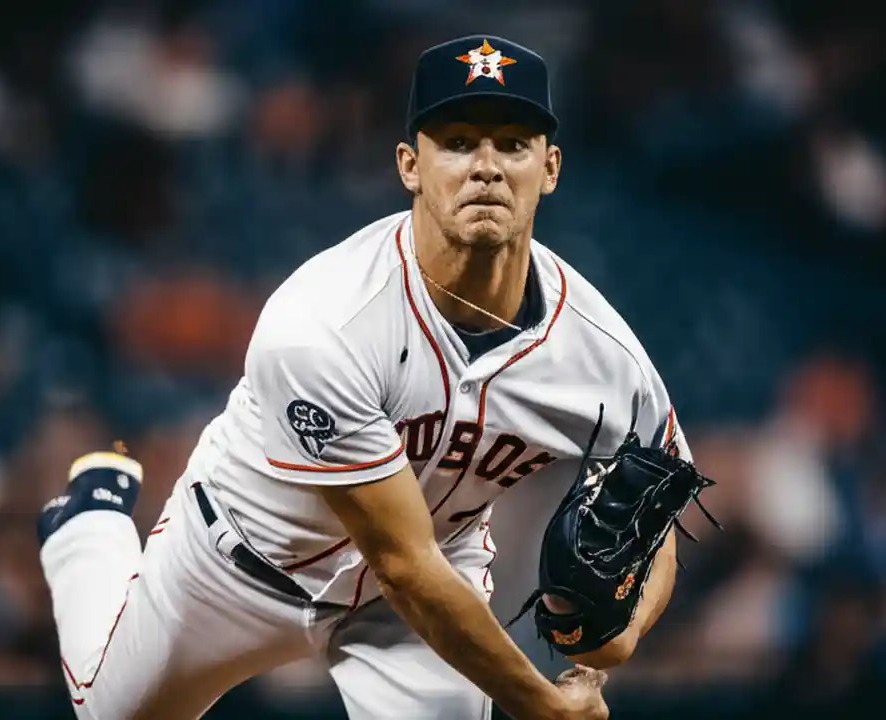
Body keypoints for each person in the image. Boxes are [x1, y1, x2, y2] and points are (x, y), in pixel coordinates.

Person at [38, 34, 686, 719]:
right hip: (242, 564)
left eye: (515, 144)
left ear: (550, 168)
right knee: (109, 713)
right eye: (460, 142)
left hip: (419, 594)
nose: (488, 168)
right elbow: (402, 563)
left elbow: (663, 499)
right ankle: (89, 525)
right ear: (410, 165)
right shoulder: (324, 321)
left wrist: (619, 636)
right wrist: (544, 707)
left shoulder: (602, 351)